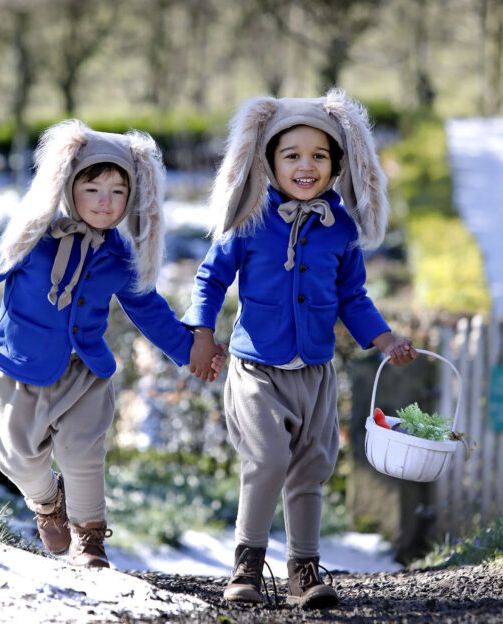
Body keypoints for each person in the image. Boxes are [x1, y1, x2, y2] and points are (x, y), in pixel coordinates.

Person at [183, 89, 418, 608]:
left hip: (315, 371)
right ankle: (246, 565)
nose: (305, 165)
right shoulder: (248, 218)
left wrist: (385, 339)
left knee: (311, 468)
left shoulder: (342, 230)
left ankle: (304, 572)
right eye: (291, 155)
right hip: (255, 369)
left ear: (337, 166)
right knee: (267, 459)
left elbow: (352, 297)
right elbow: (209, 278)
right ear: (269, 163)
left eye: (319, 155)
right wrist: (201, 331)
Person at [0, 120, 225, 568]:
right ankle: (46, 501)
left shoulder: (120, 256)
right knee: (15, 459)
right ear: (68, 186)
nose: (105, 201)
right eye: (93, 188)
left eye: (118, 192)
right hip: (17, 369)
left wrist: (189, 349)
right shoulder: (32, 235)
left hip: (84, 374)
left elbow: (149, 310)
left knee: (83, 453)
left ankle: (90, 540)